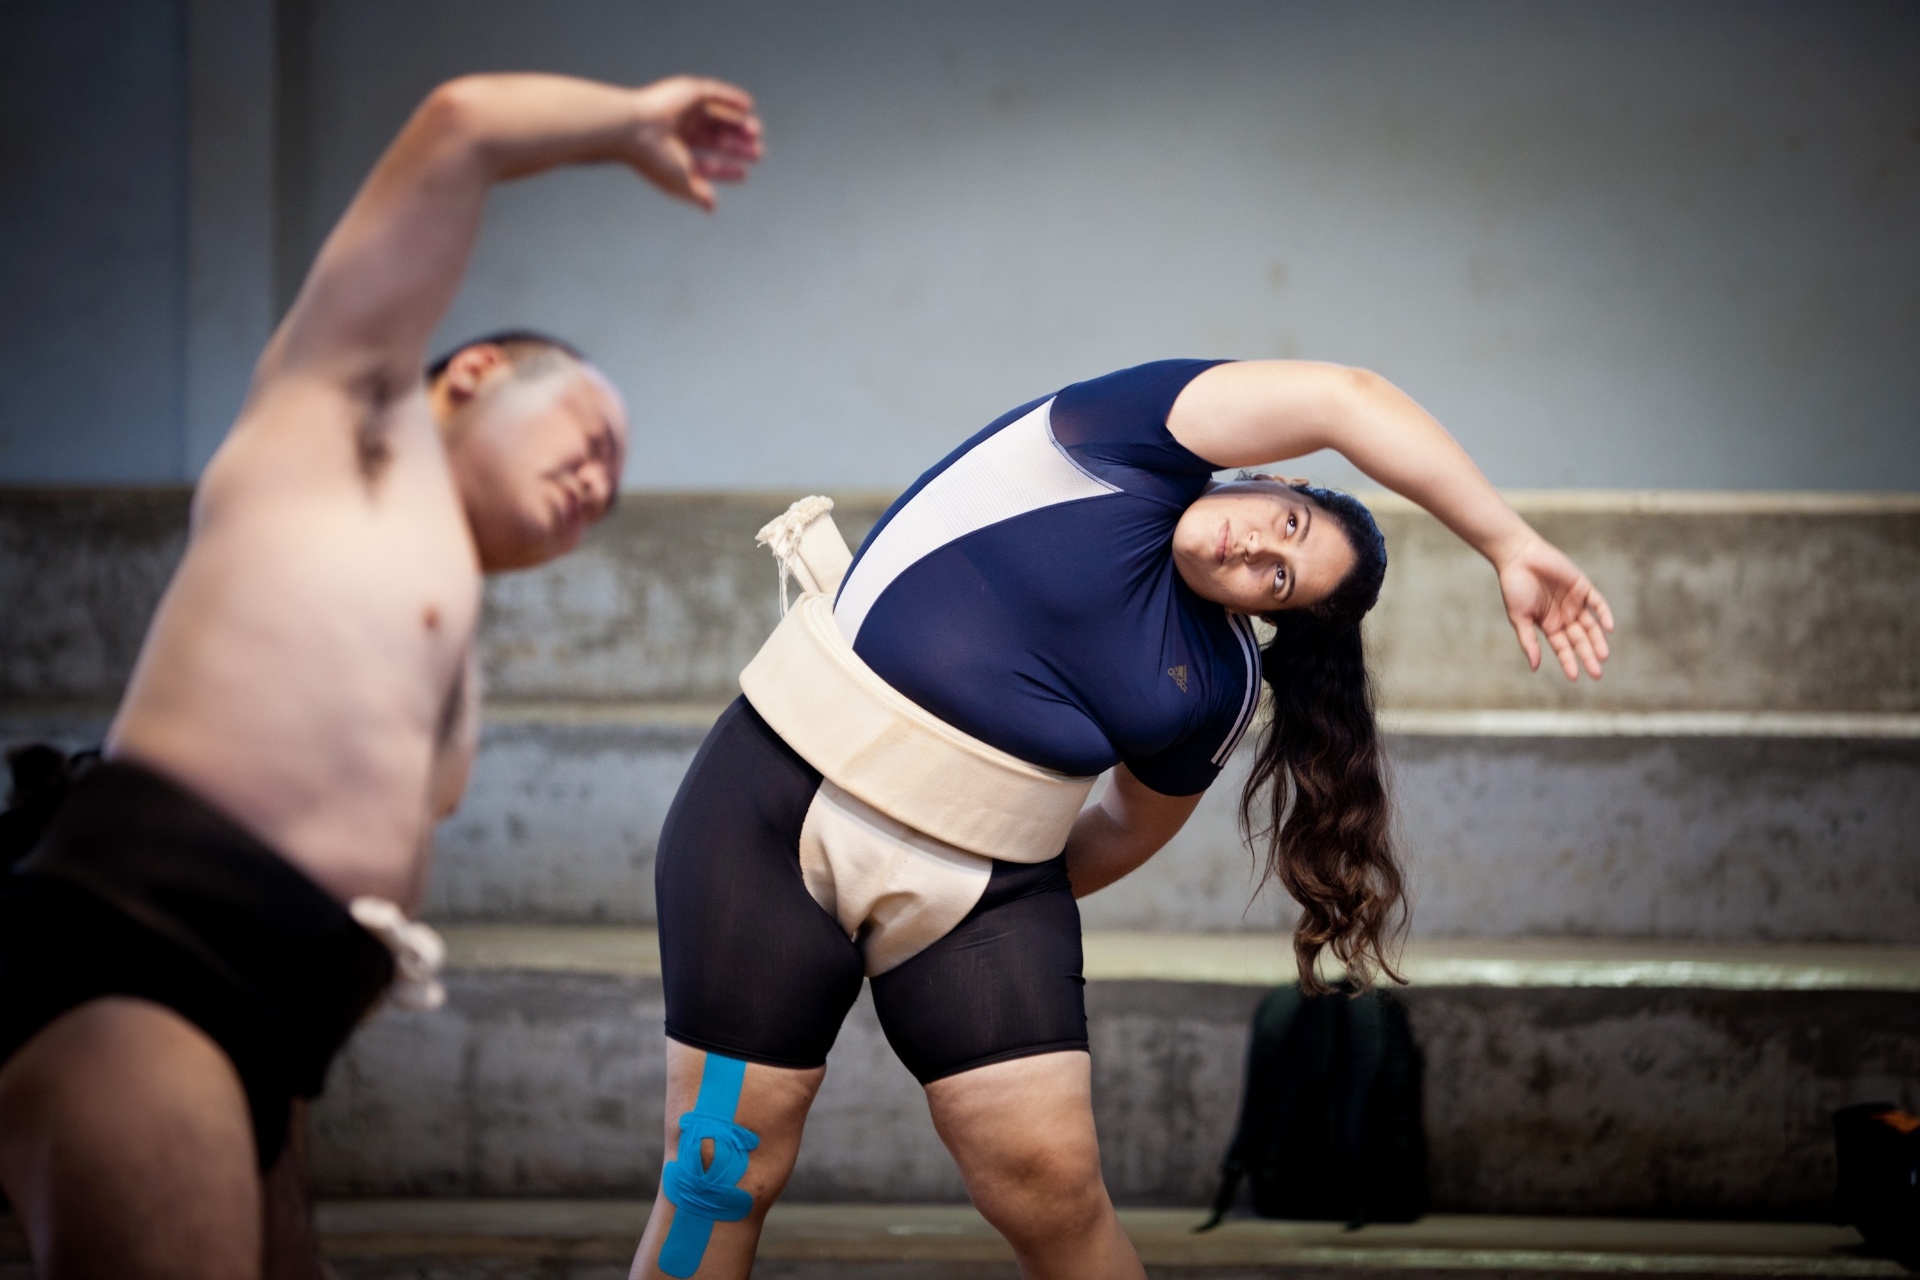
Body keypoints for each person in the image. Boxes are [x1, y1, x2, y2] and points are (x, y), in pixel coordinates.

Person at [0, 71, 763, 1280]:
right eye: (590, 438)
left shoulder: (439, 618)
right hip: (141, 949)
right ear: (473, 376)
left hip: (270, 1010)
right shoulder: (344, 420)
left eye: (613, 487)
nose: (599, 486)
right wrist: (628, 124)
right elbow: (457, 127)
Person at [633, 358, 1611, 1279]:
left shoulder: (1217, 683)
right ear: (1269, 476)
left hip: (980, 897)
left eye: (1279, 578)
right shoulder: (1113, 442)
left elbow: (1127, 828)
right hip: (771, 823)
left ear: (1271, 615)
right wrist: (1509, 541)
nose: (1256, 549)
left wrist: (978, 867)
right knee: (720, 1167)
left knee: (1053, 1188)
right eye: (1285, 524)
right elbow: (1346, 395)